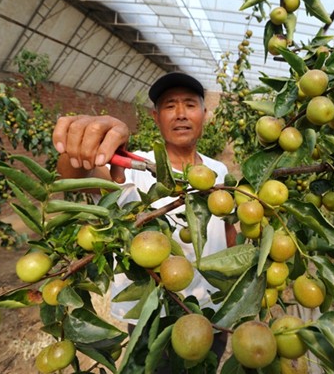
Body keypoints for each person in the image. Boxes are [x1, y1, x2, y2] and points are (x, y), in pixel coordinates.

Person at [52, 72, 236, 365]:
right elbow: (75, 175)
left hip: (209, 311)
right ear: (155, 116)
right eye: (169, 105)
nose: (180, 114)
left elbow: (228, 229)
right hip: (150, 314)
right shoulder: (130, 167)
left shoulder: (219, 172)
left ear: (205, 114)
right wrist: (81, 146)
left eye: (190, 105)